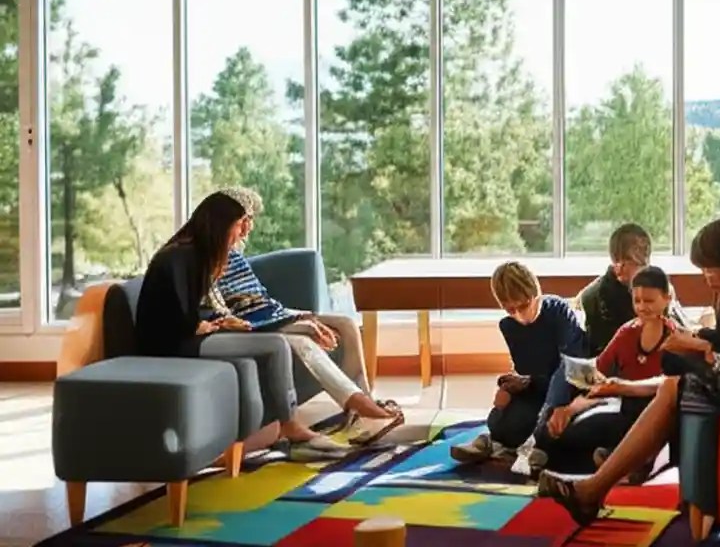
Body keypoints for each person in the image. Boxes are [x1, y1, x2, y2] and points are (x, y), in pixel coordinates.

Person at [538, 217, 720, 527]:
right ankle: (627, 488)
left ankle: (607, 489)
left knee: (680, 385)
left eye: (709, 269)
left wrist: (704, 354)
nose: (706, 277)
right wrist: (698, 344)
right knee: (677, 379)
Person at [132, 191, 340, 452]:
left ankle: (283, 426)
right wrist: (218, 325)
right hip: (176, 345)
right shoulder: (177, 258)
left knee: (273, 341)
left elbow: (204, 309)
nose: (244, 232)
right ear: (220, 223)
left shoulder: (200, 255)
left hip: (196, 336)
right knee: (276, 345)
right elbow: (177, 321)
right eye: (240, 223)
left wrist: (224, 321)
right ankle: (290, 425)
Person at [208, 187, 402, 445]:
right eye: (244, 220)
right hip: (258, 328)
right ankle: (361, 406)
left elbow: (263, 300)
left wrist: (301, 316)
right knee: (305, 339)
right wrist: (298, 324)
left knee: (345, 324)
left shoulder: (235, 255)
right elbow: (236, 314)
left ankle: (360, 405)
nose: (249, 228)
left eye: (250, 220)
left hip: (275, 316)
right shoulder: (208, 260)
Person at [531, 265, 677, 479]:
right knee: (553, 435)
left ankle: (626, 462)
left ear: (666, 298)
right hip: (621, 410)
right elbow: (596, 374)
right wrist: (568, 409)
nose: (642, 307)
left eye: (649, 301)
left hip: (653, 417)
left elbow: (672, 385)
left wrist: (623, 387)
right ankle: (611, 461)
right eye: (637, 301)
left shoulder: (677, 338)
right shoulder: (627, 332)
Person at [450, 261, 588, 464]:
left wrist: (551, 403)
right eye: (510, 310)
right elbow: (528, 372)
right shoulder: (509, 326)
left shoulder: (557, 311)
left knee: (559, 421)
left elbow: (572, 365)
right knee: (501, 420)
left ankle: (527, 442)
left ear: (535, 293)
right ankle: (498, 440)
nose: (520, 316)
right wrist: (515, 385)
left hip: (570, 389)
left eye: (524, 306)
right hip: (540, 389)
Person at [573, 223, 685, 355]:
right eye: (616, 261)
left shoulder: (658, 288)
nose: (620, 268)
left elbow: (676, 331)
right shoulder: (595, 295)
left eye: (627, 262)